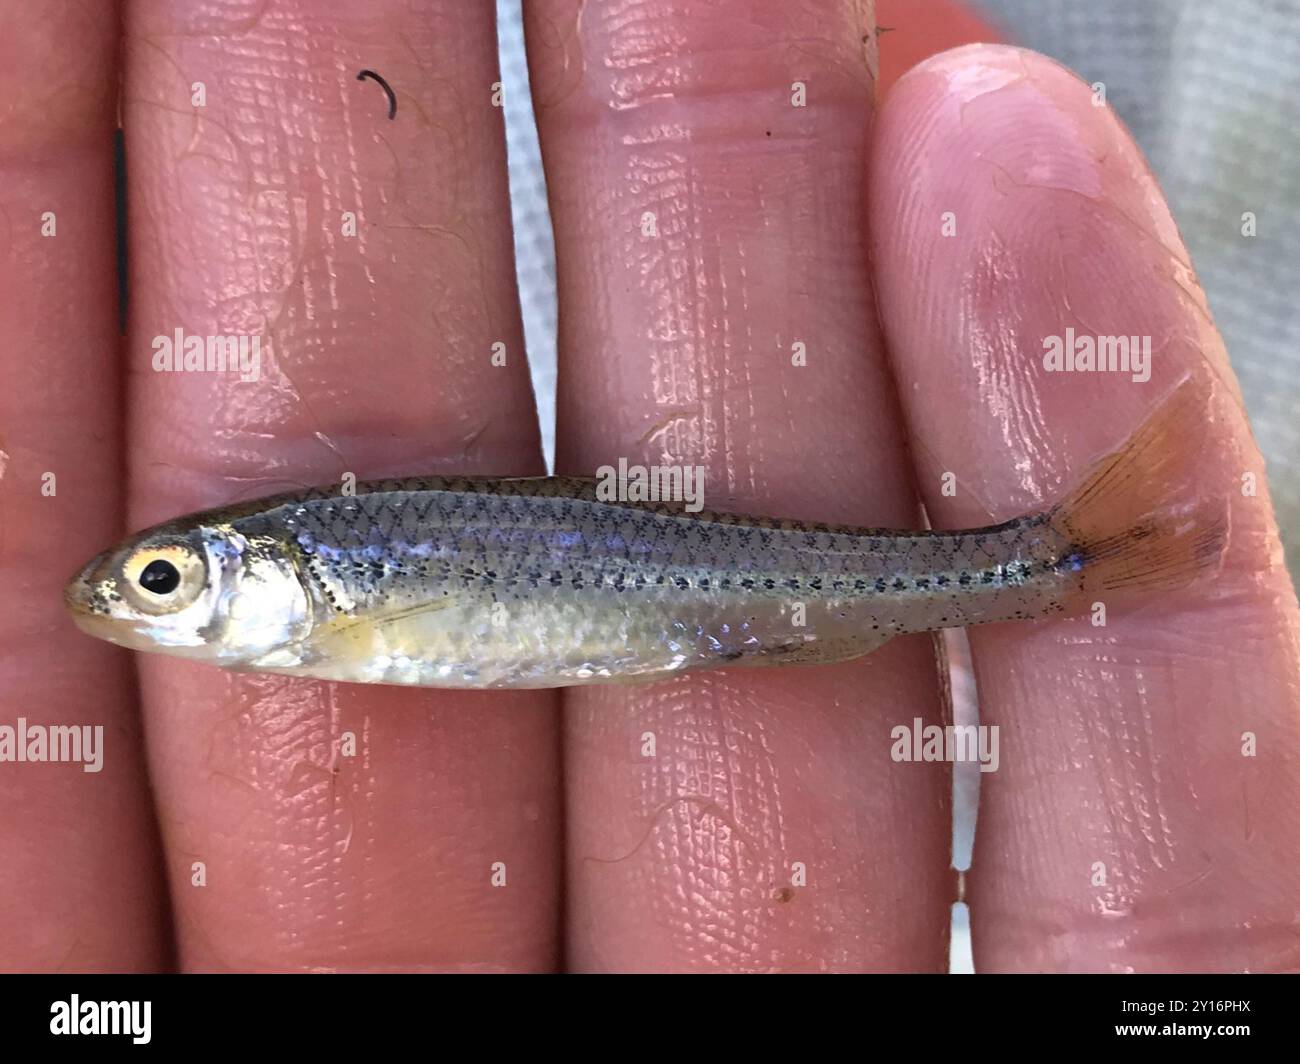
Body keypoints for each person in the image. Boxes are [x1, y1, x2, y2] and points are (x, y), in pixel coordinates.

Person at [2, 1, 1296, 973]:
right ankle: (1045, 564)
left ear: (284, 574)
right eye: (155, 585)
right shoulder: (333, 595)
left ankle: (1050, 563)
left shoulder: (344, 589)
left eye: (163, 583)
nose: (147, 606)